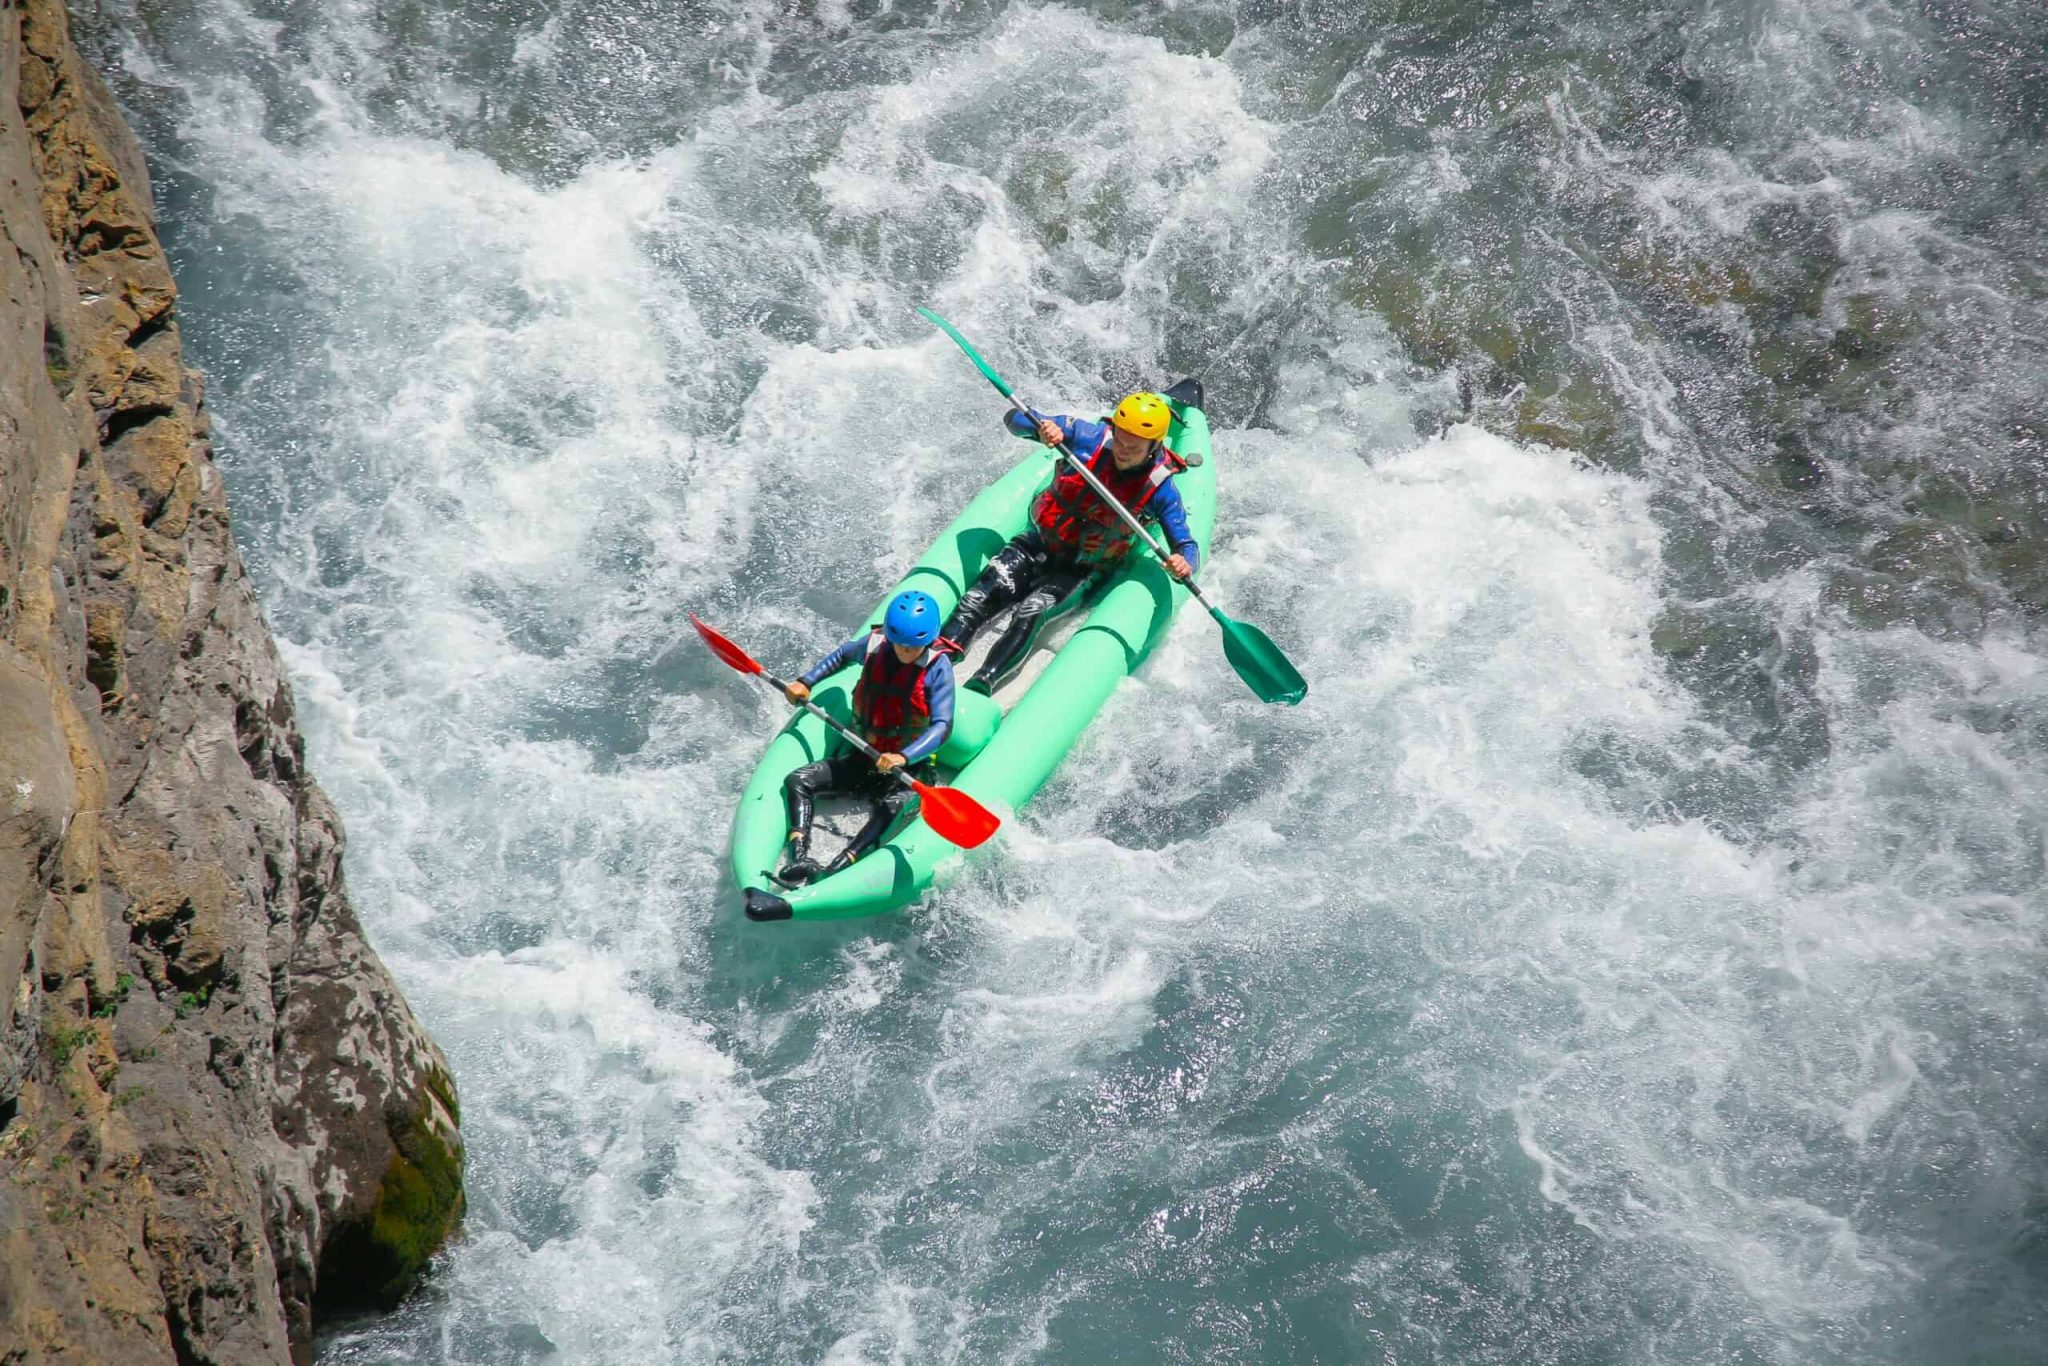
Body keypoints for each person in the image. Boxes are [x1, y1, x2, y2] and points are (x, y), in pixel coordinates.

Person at [942, 390, 1201, 694]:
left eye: (1134, 446)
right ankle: (940, 652)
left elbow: (1187, 547)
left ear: (1154, 446)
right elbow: (1013, 419)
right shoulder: (1085, 436)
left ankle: (984, 679)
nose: (1122, 449)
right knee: (981, 593)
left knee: (1033, 609)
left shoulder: (1161, 490)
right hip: (1035, 542)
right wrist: (1040, 429)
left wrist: (1183, 564)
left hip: (1083, 568)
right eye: (1120, 439)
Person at [777, 589, 957, 886]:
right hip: (865, 754)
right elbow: (841, 655)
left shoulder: (938, 668)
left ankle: (836, 868)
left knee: (891, 807)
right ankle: (799, 857)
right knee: (797, 780)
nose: (905, 652)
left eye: (914, 647)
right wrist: (805, 681)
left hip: (908, 769)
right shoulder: (874, 645)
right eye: (900, 645)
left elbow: (943, 726)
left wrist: (904, 756)